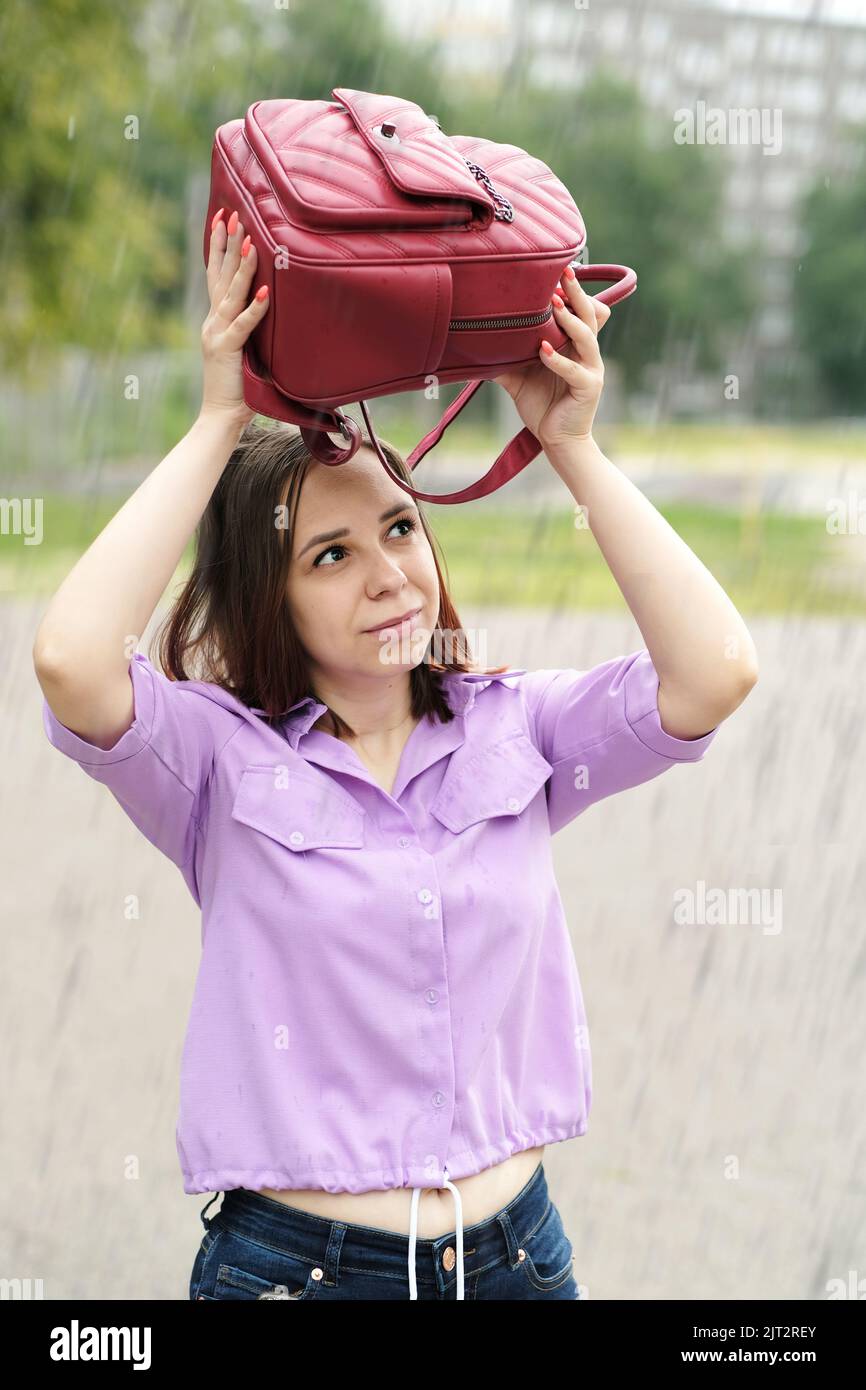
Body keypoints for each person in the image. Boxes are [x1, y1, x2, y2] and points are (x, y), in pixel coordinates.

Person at [33, 208, 758, 1301]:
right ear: (267, 599)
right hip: (297, 1274)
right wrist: (216, 421)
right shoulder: (218, 765)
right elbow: (72, 660)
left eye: (401, 528)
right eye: (330, 553)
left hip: (517, 1257)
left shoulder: (512, 727)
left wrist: (571, 448)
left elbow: (714, 671)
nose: (387, 574)